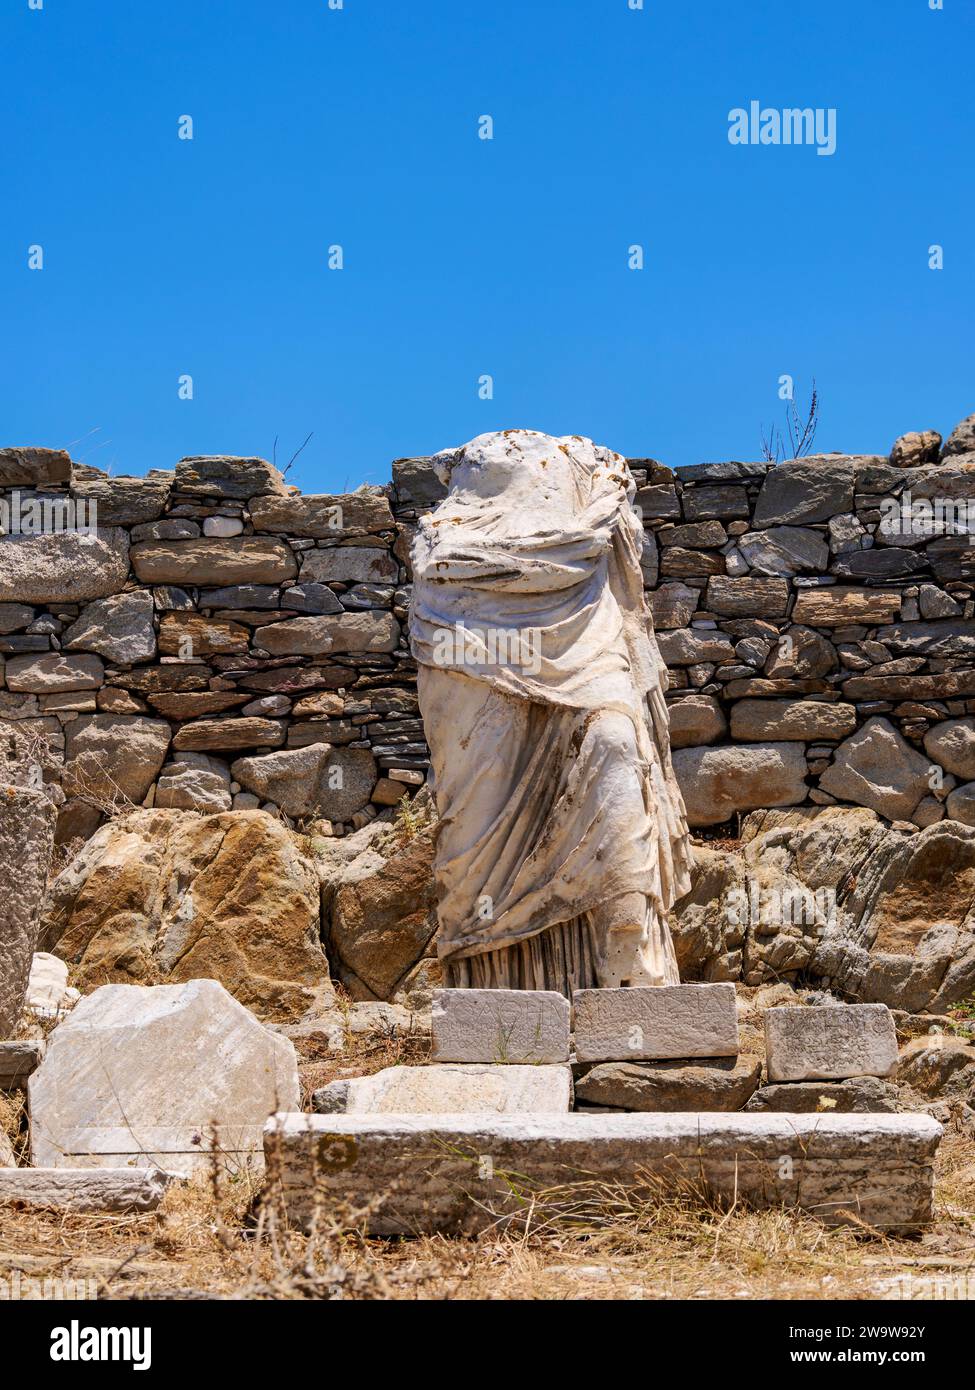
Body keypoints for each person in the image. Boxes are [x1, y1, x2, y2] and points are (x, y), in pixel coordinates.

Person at [410, 429, 693, 995]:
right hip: (468, 642)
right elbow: (438, 574)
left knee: (615, 743)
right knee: (478, 811)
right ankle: (495, 985)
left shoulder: (595, 510)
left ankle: (627, 958)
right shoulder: (443, 542)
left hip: (582, 634)